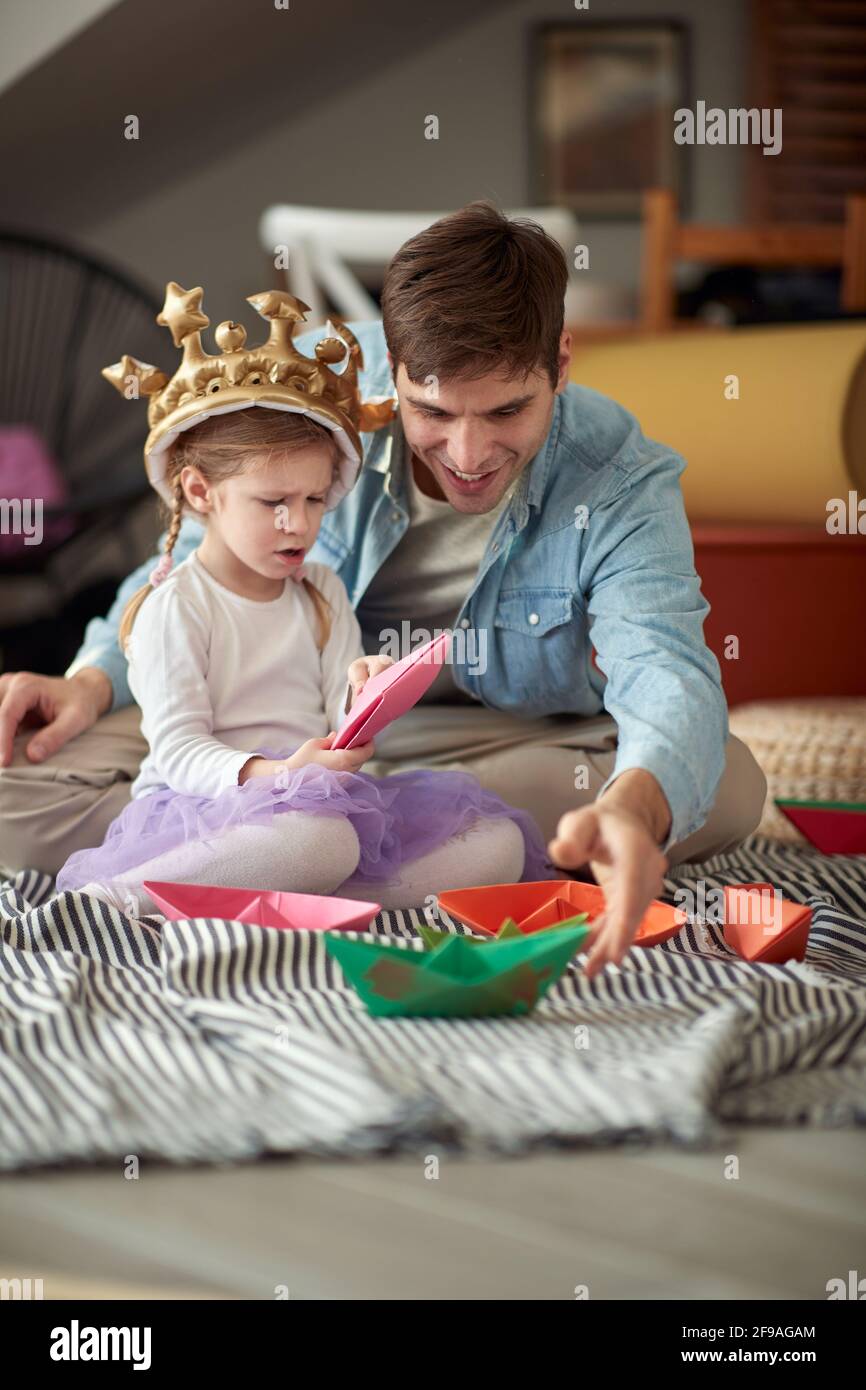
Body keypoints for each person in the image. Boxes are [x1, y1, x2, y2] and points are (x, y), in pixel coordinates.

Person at [0, 202, 766, 976]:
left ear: (560, 364)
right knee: (13, 786)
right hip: (265, 723)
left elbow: (665, 668)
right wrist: (93, 680)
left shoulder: (619, 476)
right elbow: (192, 559)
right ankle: (306, 838)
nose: (468, 453)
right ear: (389, 366)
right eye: (431, 410)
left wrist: (634, 808)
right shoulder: (322, 397)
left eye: (507, 410)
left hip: (496, 738)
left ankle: (304, 842)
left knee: (728, 784)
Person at [52, 305, 550, 916]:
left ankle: (295, 897)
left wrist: (361, 696)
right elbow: (179, 752)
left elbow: (335, 725)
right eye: (273, 502)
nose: (302, 524)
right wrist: (281, 774)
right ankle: (120, 900)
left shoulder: (319, 591)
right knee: (321, 840)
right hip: (216, 810)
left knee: (495, 845)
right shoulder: (175, 607)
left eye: (316, 498)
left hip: (313, 805)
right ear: (201, 492)